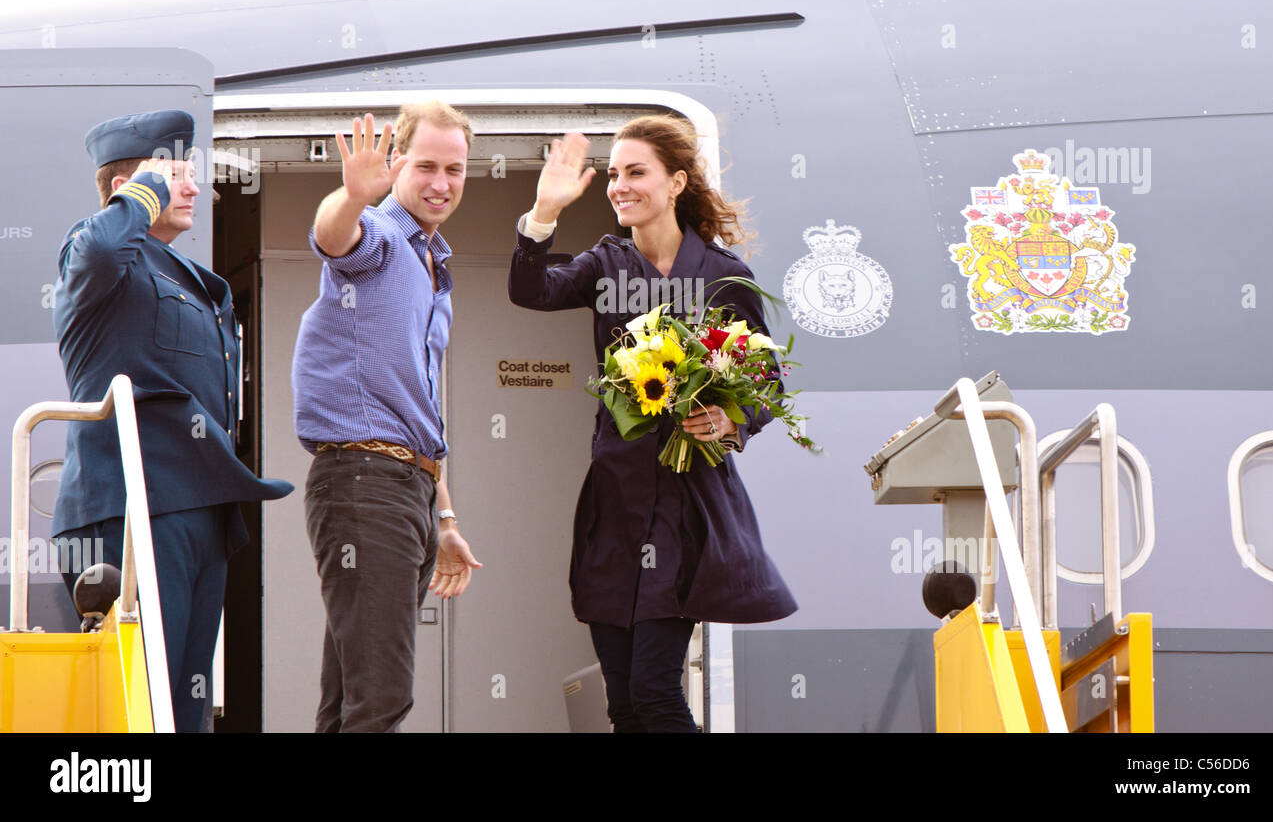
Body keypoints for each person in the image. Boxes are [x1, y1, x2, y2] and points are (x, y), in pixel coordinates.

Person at [508, 116, 797, 732]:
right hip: (614, 499)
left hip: (685, 505)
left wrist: (731, 418)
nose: (619, 185)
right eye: (614, 174)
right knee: (625, 705)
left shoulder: (723, 275)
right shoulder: (604, 264)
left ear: (676, 183)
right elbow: (531, 290)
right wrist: (543, 213)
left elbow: (768, 382)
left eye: (635, 172)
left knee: (657, 692)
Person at [52, 108, 294, 732]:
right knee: (133, 703)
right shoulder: (100, 254)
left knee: (185, 707)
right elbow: (104, 244)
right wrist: (144, 189)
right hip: (132, 506)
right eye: (174, 175)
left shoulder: (183, 273)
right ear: (124, 189)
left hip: (198, 509)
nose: (193, 187)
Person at [291, 107, 481, 732]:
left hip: (407, 487)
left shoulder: (435, 267)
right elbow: (332, 238)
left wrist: (443, 514)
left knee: (352, 696)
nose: (441, 183)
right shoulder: (378, 235)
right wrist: (350, 195)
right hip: (364, 485)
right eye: (425, 165)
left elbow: (418, 408)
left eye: (455, 169)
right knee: (382, 697)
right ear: (396, 161)